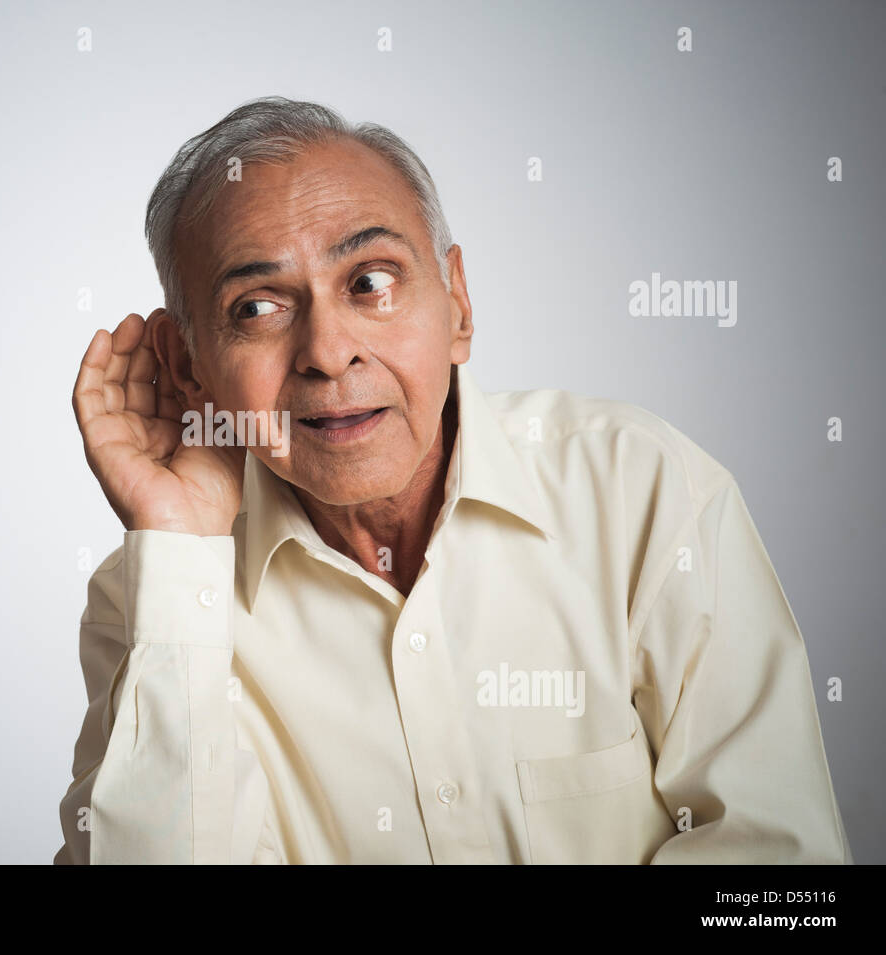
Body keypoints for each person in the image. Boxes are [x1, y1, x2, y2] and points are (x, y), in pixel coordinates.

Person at [56, 95, 852, 864]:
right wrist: (181, 546)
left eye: (371, 281)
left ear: (458, 305)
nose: (328, 352)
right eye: (258, 307)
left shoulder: (642, 491)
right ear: (189, 368)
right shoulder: (153, 600)